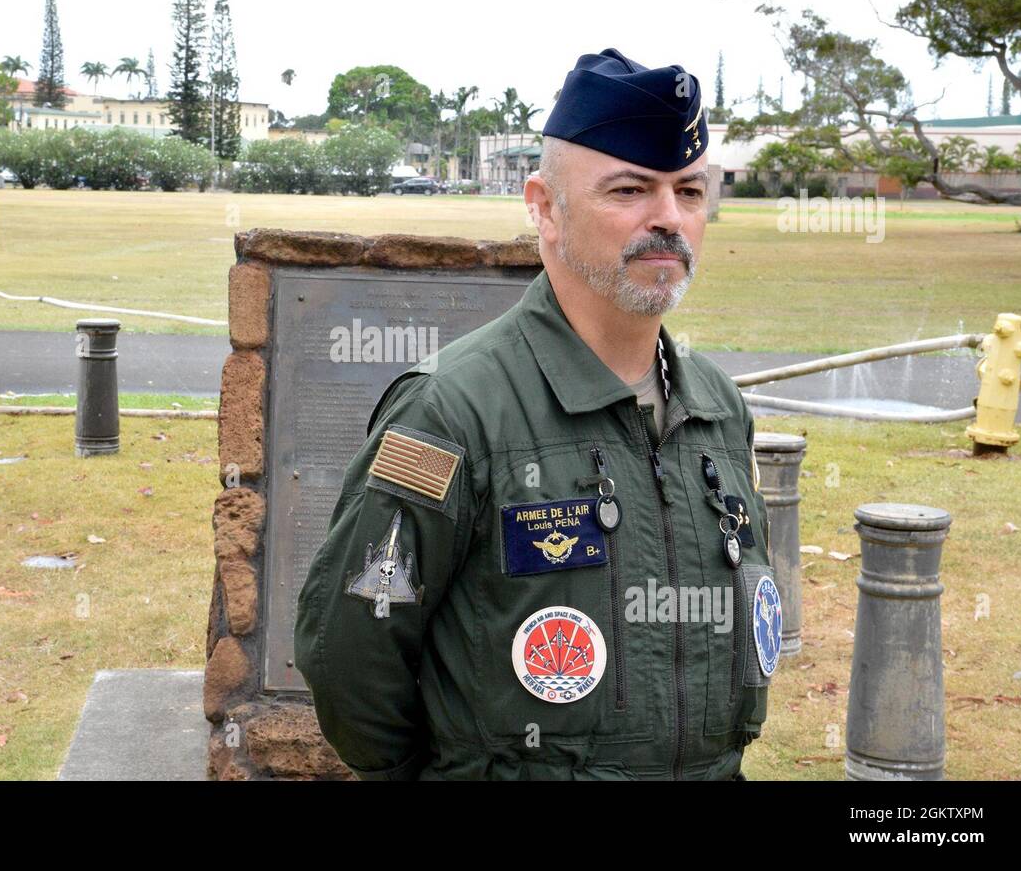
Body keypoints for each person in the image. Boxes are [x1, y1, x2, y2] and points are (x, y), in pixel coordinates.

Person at [294, 47, 778, 781]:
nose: (668, 218)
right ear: (545, 208)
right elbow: (352, 656)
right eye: (629, 189)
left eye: (688, 190)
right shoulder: (451, 411)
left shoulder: (717, 409)